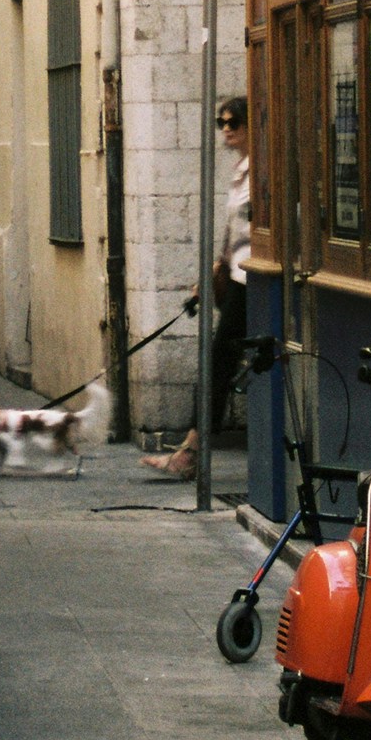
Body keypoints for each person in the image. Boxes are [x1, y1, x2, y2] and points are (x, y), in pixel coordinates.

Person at [147, 95, 251, 480]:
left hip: (254, 280)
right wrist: (213, 273)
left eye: (234, 122)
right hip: (238, 276)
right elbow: (233, 232)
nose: (226, 129)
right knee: (220, 364)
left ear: (252, 125)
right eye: (221, 122)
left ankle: (190, 453)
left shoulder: (261, 171)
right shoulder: (241, 172)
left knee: (219, 363)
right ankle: (191, 451)